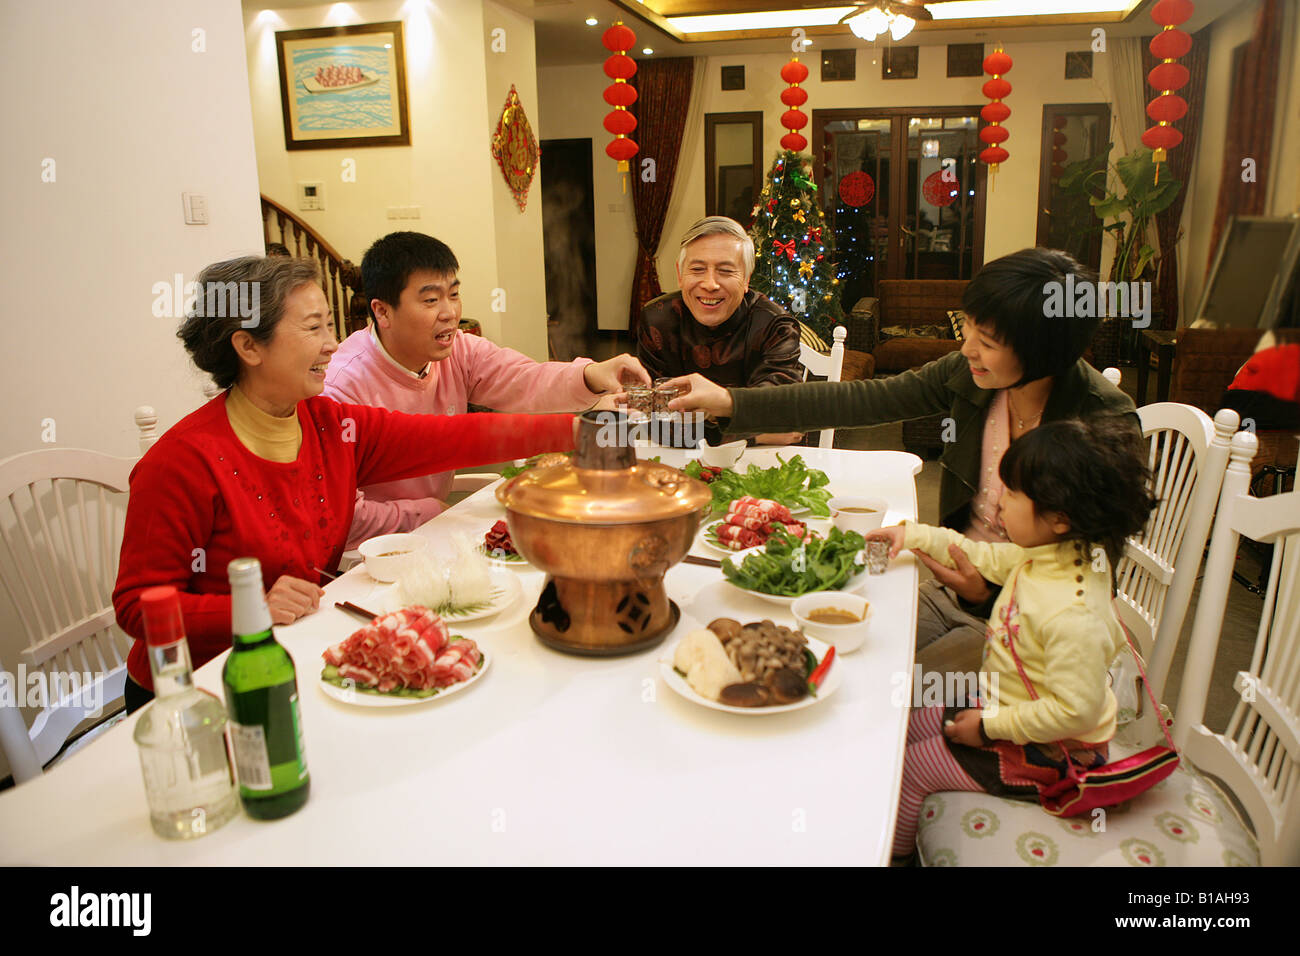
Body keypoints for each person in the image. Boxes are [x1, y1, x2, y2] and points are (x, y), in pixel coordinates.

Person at [113, 255, 577, 712]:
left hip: (297, 652)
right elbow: (136, 607)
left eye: (329, 327)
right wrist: (250, 607)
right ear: (248, 347)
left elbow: (452, 437)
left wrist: (582, 429)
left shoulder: (327, 424)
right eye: (313, 328)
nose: (332, 345)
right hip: (198, 694)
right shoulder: (182, 462)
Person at [665, 248, 1140, 676]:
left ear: (1044, 352)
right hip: (950, 589)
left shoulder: (1101, 418)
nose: (968, 348)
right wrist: (730, 401)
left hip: (1033, 629)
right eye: (969, 327)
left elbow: (1093, 573)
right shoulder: (971, 374)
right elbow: (859, 400)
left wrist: (987, 592)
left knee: (874, 688)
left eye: (988, 341)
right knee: (809, 641)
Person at [866, 417, 1156, 862]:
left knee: (912, 769)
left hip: (1052, 752)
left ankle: (894, 856)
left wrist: (986, 728)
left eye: (1014, 492)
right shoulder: (1047, 555)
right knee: (912, 723)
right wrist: (912, 534)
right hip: (1010, 703)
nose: (998, 501)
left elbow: (1073, 712)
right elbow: (980, 555)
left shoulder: (1074, 614)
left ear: (1059, 517)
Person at [324, 231, 650, 547]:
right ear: (382, 311)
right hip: (378, 553)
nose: (450, 313)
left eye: (453, 295)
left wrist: (592, 374)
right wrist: (432, 513)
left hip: (435, 532)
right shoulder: (341, 387)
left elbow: (527, 380)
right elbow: (342, 514)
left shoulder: (459, 351)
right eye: (430, 300)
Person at [637, 216, 803, 445]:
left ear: (746, 279)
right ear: (680, 274)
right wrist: (755, 433)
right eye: (697, 269)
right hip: (678, 464)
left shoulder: (775, 326)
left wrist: (704, 420)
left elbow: (778, 415)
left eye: (725, 271)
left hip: (756, 464)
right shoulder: (657, 320)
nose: (710, 284)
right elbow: (651, 424)